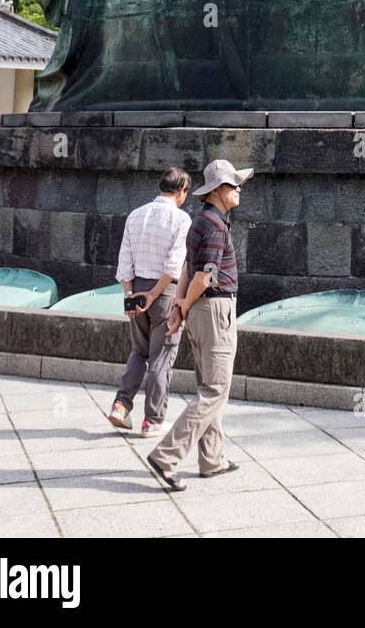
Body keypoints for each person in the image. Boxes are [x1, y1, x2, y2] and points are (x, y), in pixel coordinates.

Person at [146, 158, 252, 492]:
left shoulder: (199, 222)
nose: (238, 189)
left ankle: (213, 459)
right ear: (219, 190)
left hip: (199, 311)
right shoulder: (215, 226)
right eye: (233, 185)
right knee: (215, 390)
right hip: (215, 311)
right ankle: (166, 457)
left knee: (208, 386)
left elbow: (188, 269)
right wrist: (186, 304)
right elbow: (205, 276)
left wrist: (180, 308)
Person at [108, 167, 192, 438]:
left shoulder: (136, 215)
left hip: (135, 290)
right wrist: (154, 294)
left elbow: (124, 262)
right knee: (162, 356)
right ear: (181, 191)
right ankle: (152, 421)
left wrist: (131, 295)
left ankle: (121, 406)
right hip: (163, 293)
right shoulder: (181, 219)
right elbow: (174, 265)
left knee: (138, 351)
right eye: (185, 192)